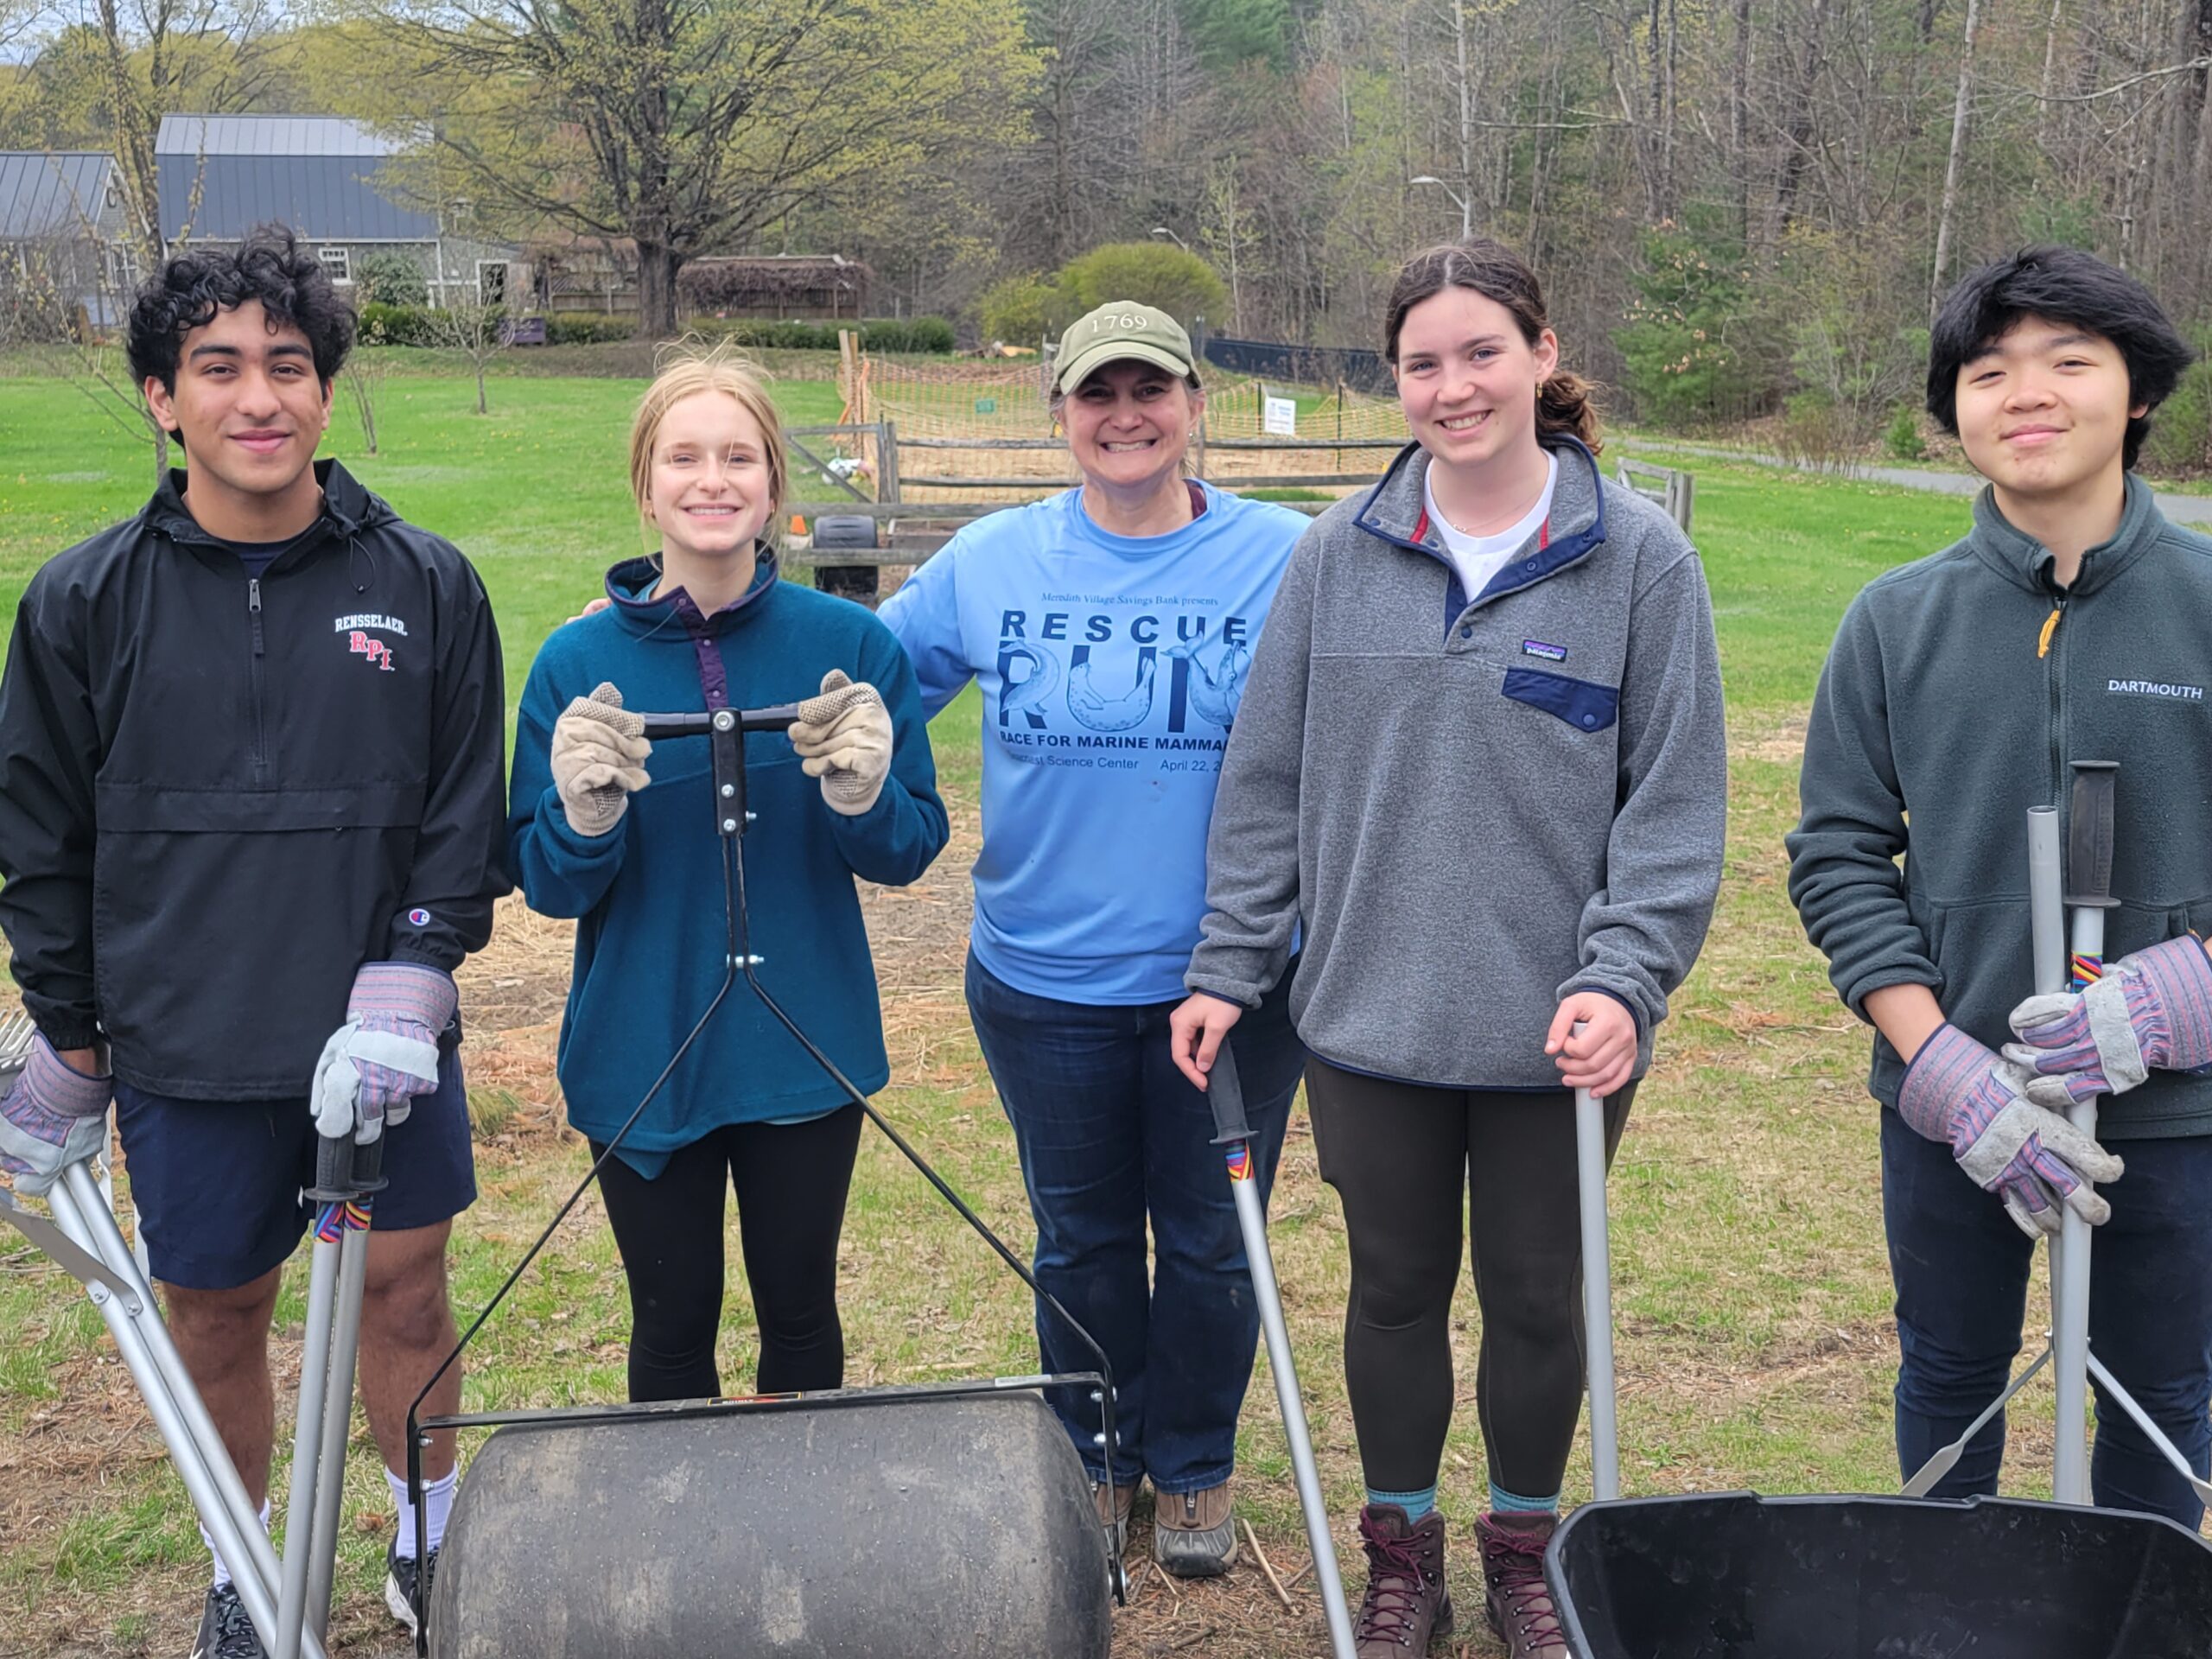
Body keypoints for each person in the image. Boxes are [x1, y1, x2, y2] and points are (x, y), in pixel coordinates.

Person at [1173, 239, 1726, 1657]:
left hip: (1562, 1035)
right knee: (1396, 1291)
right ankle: (1403, 1549)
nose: (1453, 384)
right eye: (1423, 361)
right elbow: (1264, 786)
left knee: (1541, 1300)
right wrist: (1231, 965)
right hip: (1370, 1019)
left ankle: (1526, 1550)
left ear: (1543, 356)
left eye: (1483, 351)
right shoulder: (1335, 557)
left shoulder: (1640, 564)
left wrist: (1625, 979)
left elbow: (1670, 812)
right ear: (1395, 379)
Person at [0, 227, 509, 1659]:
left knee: (407, 1293)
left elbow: (465, 809)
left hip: (384, 1036)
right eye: (218, 368)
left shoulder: (426, 585)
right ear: (165, 398)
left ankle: (432, 1547)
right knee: (214, 1315)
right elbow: (42, 837)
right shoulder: (81, 604)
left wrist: (419, 965)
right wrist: (76, 1033)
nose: (259, 397)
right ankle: (246, 1563)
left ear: (326, 393)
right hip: (188, 1040)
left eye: (288, 365)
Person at [874, 302, 1312, 1577]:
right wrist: (686, 629)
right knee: (1080, 1240)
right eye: (1097, 392)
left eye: (1151, 389)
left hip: (1230, 982)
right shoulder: (992, 560)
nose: (1126, 415)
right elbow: (863, 674)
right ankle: (1095, 1456)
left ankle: (1193, 1468)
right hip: (1041, 977)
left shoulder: (1284, 557)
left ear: (1194, 403)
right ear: (1059, 412)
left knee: (1214, 1241)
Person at [1788, 246, 2212, 1527]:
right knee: (1952, 1379)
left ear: (2136, 392)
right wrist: (1941, 1068)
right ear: (1955, 408)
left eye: (2068, 363)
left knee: (2163, 1395)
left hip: (2179, 1118)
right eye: (1988, 373)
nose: (2026, 395)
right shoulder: (1893, 621)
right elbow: (1840, 858)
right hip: (1955, 1108)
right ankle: (1942, 1605)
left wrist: (2185, 994)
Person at [507, 347, 947, 1408]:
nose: (713, 480)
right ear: (645, 483)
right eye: (684, 457)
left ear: (773, 485)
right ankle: (685, 1555)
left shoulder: (847, 644)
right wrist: (585, 817)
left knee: (800, 1309)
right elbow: (546, 885)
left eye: (739, 456)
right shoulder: (576, 663)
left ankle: (791, 1543)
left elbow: (907, 849)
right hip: (640, 1041)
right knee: (669, 1322)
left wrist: (862, 798)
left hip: (805, 1036)